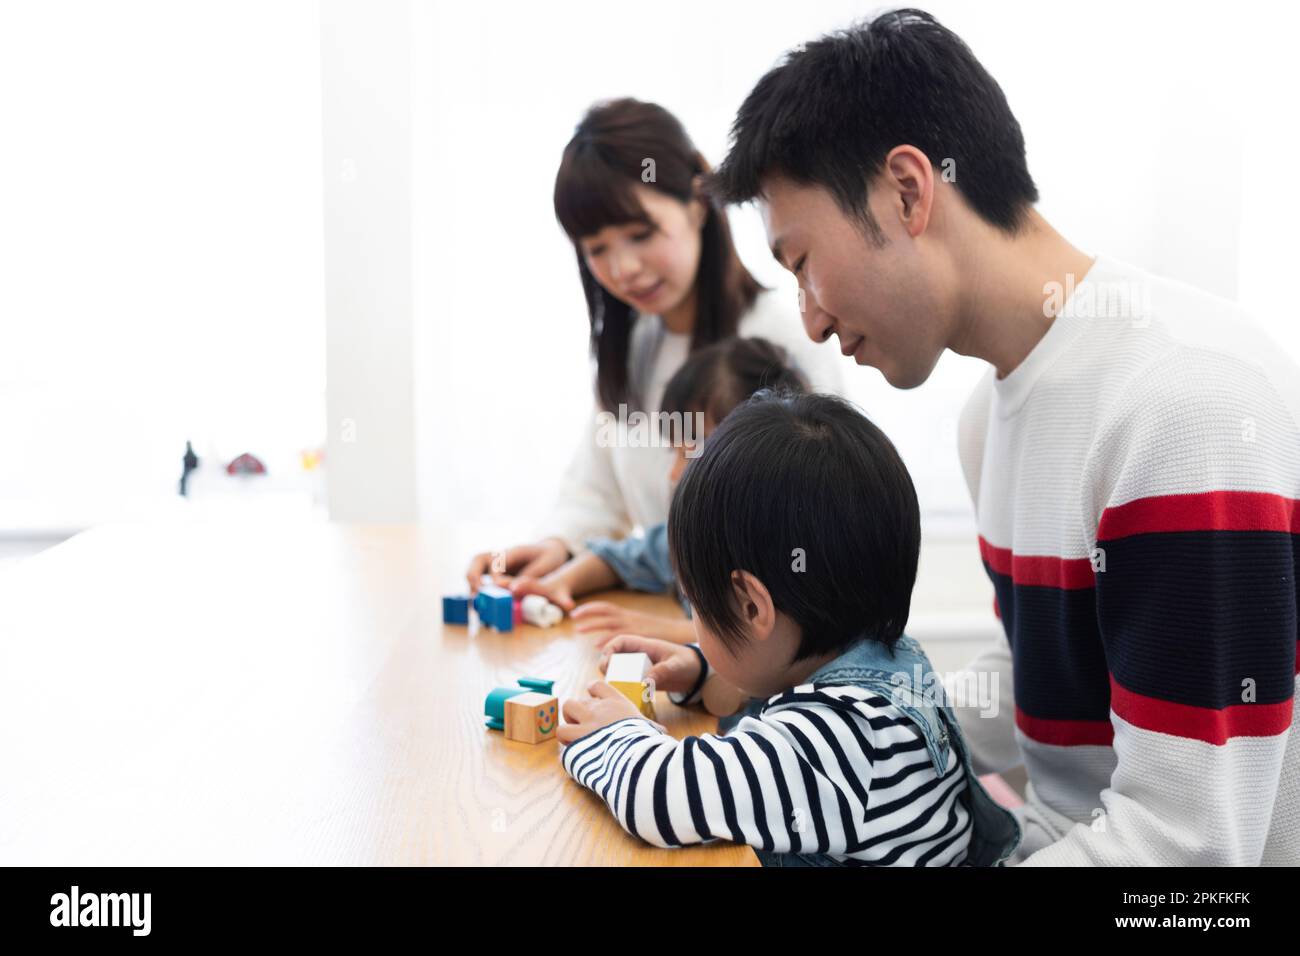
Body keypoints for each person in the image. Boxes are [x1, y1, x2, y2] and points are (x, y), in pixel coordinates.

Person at [703, 9, 1300, 864]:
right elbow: (1042, 678)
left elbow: (1190, 855)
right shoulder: (992, 421)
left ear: (908, 190)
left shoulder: (1180, 408)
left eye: (801, 262)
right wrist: (785, 705)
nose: (812, 319)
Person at [558, 392, 1021, 866]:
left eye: (694, 602)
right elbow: (785, 694)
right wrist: (703, 671)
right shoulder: (885, 667)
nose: (695, 621)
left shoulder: (835, 741)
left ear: (753, 607)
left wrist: (611, 733)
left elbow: (659, 795)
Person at [463, 98, 842, 594]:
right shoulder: (637, 347)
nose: (624, 269)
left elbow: (816, 525)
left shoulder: (780, 337)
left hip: (749, 646)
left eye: (640, 234)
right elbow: (596, 493)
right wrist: (557, 545)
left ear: (697, 205)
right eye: (597, 249)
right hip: (674, 623)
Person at [511, 335, 807, 651]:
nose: (675, 473)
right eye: (674, 450)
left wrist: (667, 630)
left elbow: (776, 643)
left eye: (693, 449)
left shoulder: (792, 557)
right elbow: (622, 558)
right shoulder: (698, 536)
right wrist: (559, 584)